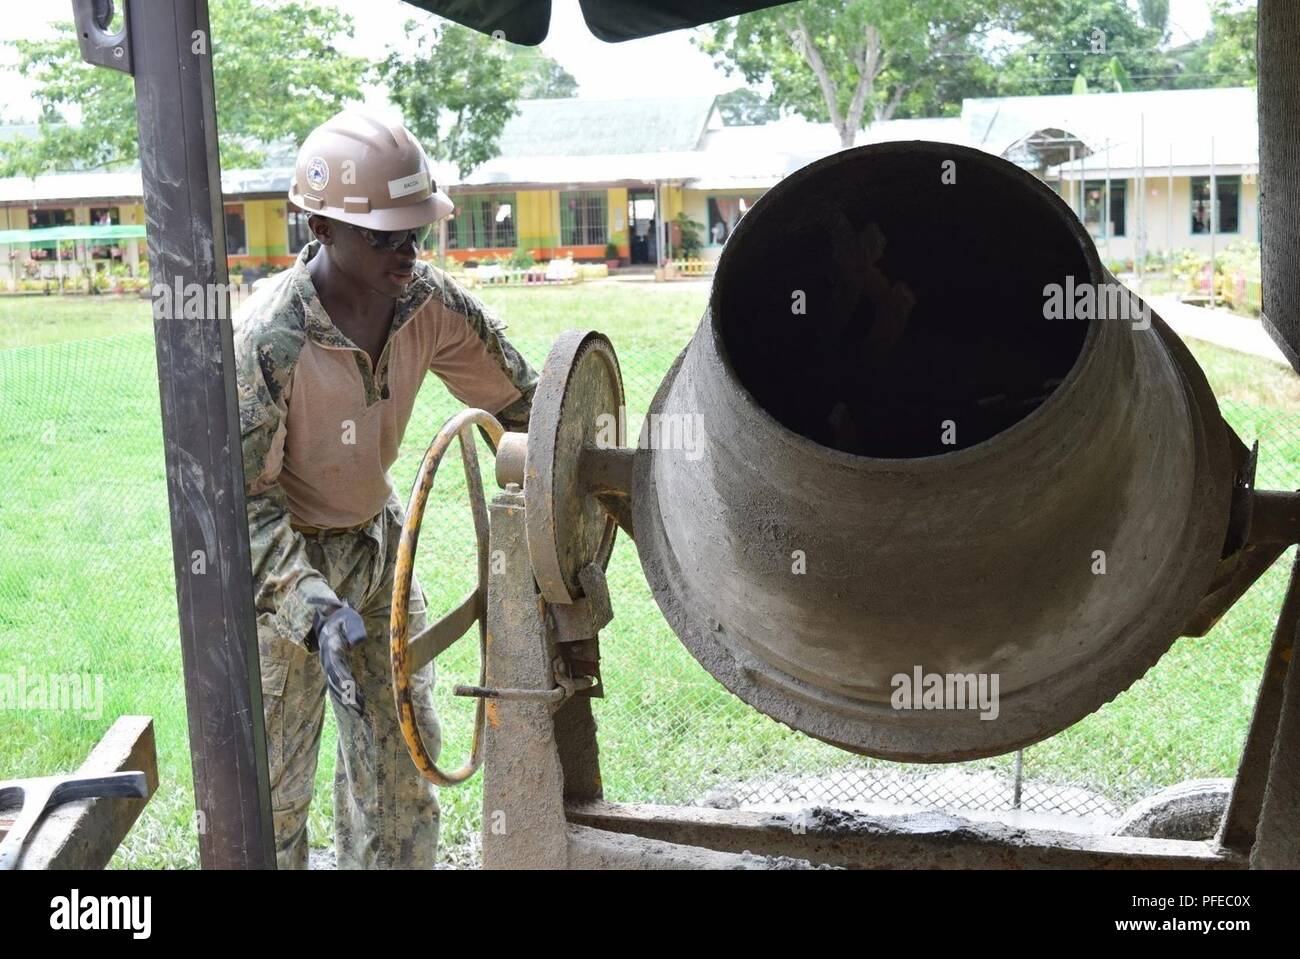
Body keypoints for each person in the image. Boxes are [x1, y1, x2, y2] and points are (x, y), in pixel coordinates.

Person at [232, 109, 537, 869]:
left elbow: (522, 399)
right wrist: (311, 607)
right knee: (271, 801)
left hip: (378, 555)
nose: (406, 251)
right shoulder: (271, 340)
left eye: (416, 232)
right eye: (384, 236)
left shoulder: (426, 305)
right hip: (286, 580)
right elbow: (243, 504)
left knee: (401, 776)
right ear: (321, 228)